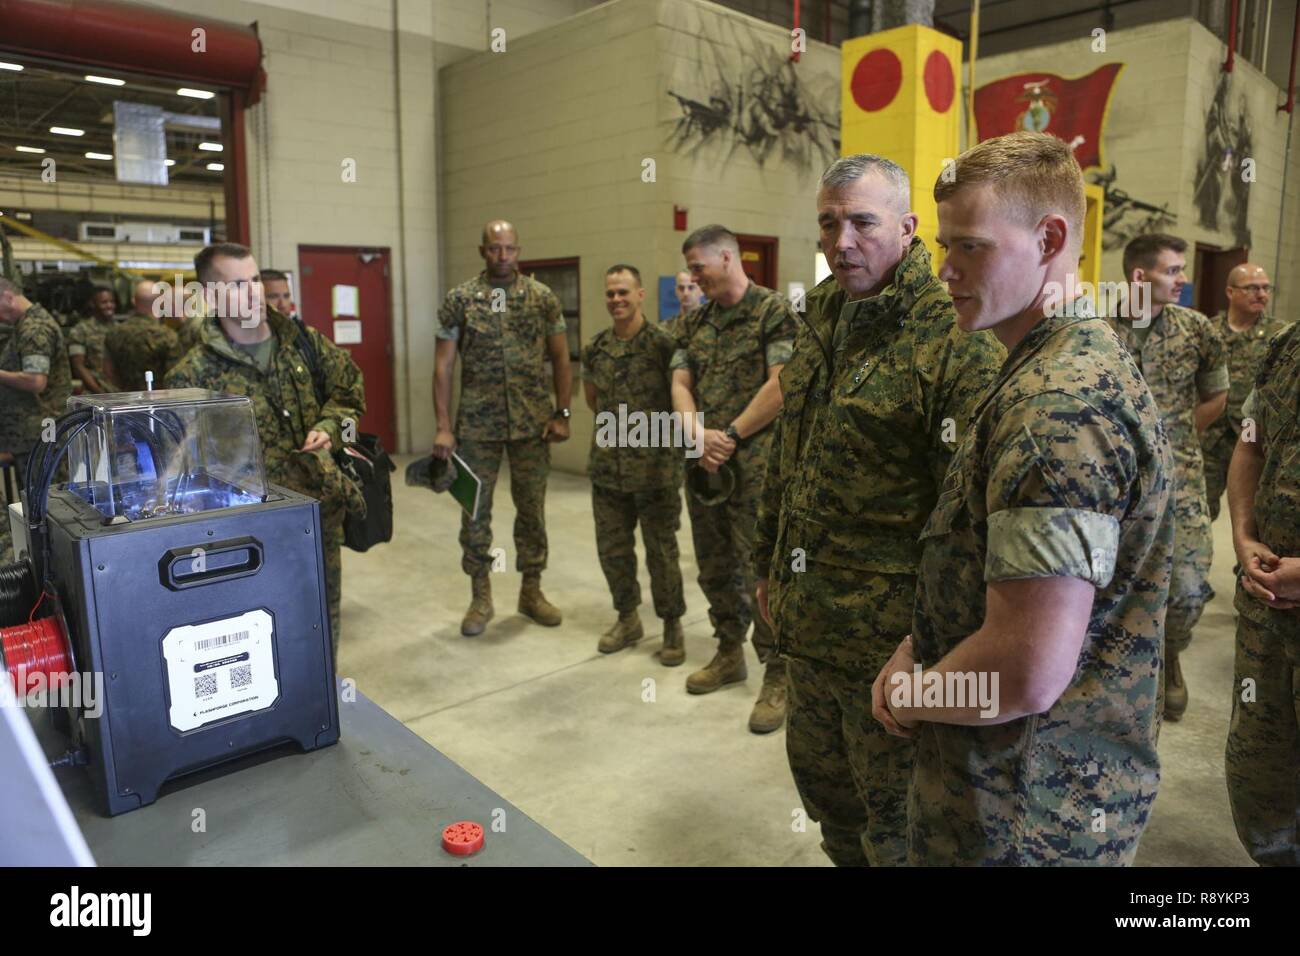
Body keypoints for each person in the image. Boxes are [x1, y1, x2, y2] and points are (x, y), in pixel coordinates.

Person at [873, 131, 1174, 866]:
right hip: (1022, 788)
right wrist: (921, 646)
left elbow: (1025, 671)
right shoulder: (1051, 364)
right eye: (944, 246)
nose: (944, 270)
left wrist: (910, 697)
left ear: (1050, 238)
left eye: (970, 247)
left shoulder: (1059, 409)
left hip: (1024, 813)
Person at [754, 154, 1003, 865]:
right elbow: (788, 455)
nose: (843, 241)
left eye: (863, 222)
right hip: (807, 635)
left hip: (888, 653)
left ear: (907, 227)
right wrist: (766, 566)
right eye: (829, 224)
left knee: (899, 834)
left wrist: (926, 646)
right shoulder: (825, 316)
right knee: (833, 813)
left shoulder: (953, 334)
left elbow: (964, 519)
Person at [164, 243, 365, 658]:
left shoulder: (303, 343)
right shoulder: (192, 374)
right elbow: (177, 469)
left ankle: (322, 700)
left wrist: (331, 428)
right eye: (237, 285)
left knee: (321, 618)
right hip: (246, 532)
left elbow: (350, 391)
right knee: (255, 630)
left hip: (316, 514)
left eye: (254, 280)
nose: (253, 292)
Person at [671, 224, 795, 733]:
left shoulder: (772, 312)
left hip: (756, 467)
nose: (693, 276)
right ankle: (728, 652)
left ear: (727, 257)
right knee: (713, 564)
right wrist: (697, 434)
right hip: (704, 466)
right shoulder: (694, 322)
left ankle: (778, 673)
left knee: (762, 570)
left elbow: (781, 381)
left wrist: (731, 434)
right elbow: (680, 382)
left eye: (698, 265)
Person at [433, 219, 571, 636]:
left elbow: (561, 359)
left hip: (533, 423)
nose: (503, 256)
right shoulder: (460, 299)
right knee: (473, 510)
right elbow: (443, 365)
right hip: (476, 425)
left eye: (509, 248)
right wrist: (443, 426)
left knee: (532, 509)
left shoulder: (541, 298)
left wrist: (562, 413)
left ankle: (531, 590)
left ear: (519, 250)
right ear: (482, 251)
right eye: (495, 248)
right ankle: (481, 596)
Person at [1110, 234, 1227, 721]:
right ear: (1140, 277)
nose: (1183, 279)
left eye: (1182, 270)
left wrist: (1167, 441)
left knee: (1187, 587)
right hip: (1114, 484)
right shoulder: (1094, 324)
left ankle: (1170, 654)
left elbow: (1215, 397)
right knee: (1109, 587)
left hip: (1181, 479)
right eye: (1172, 271)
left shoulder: (1197, 329)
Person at [1224, 321, 1300, 866]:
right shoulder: (1287, 346)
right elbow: (1249, 443)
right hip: (1267, 615)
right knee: (1260, 781)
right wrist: (1245, 535)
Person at [582, 264, 686, 662]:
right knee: (613, 549)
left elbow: (680, 399)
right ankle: (628, 618)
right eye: (610, 294)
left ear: (641, 294)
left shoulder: (664, 344)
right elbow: (593, 400)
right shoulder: (596, 347)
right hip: (608, 468)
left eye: (624, 292)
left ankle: (672, 625)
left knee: (661, 551)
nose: (616, 300)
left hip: (656, 469)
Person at [1201, 263, 1288, 521]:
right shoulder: (1208, 330)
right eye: (1252, 288)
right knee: (1201, 511)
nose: (1261, 295)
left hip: (1254, 437)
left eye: (1265, 288)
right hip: (1211, 438)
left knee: (1255, 516)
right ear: (1230, 292)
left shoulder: (1280, 335)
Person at [0, 277, 73, 562]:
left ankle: (55, 566)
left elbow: (35, 380)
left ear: (7, 296)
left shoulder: (34, 328)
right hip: (32, 434)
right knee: (37, 505)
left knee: (49, 506)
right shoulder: (24, 325)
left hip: (41, 432)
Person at [105, 279, 183, 391]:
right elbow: (175, 377)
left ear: (133, 301)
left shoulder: (113, 333)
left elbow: (108, 371)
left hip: (125, 401)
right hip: (158, 403)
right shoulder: (168, 336)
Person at [67, 286, 119, 393]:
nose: (109, 306)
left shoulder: (120, 329)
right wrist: (98, 391)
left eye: (112, 302)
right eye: (104, 302)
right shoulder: (80, 331)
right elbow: (78, 366)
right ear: (92, 304)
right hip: (93, 391)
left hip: (119, 391)